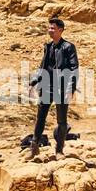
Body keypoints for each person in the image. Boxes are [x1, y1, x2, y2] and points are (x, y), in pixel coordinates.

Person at [28, 17, 78, 158]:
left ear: (60, 30)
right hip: (47, 86)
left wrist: (70, 89)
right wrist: (34, 81)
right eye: (49, 27)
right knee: (40, 117)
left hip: (61, 88)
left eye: (53, 28)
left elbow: (74, 69)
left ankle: (59, 150)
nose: (50, 30)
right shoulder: (48, 47)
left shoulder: (68, 47)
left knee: (61, 121)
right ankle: (34, 147)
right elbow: (43, 67)